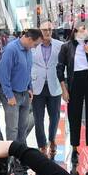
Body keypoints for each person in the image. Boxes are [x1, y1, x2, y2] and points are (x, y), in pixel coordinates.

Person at [57, 20, 88, 164]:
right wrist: (64, 89)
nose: (85, 31)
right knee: (74, 115)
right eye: (82, 29)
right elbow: (60, 68)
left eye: (87, 29)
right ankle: (74, 148)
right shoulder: (66, 47)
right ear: (75, 30)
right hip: (74, 82)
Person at [0, 29, 39, 172]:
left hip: (24, 94)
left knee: (22, 128)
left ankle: (21, 157)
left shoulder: (28, 51)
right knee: (12, 129)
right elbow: (3, 74)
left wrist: (30, 88)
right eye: (35, 44)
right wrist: (9, 96)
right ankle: (10, 161)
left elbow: (27, 71)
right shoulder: (11, 50)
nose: (35, 47)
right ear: (28, 38)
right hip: (12, 96)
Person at [29, 21, 63, 157]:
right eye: (44, 30)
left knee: (54, 117)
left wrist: (64, 84)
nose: (47, 32)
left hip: (54, 86)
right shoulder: (33, 46)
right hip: (37, 86)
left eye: (49, 29)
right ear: (40, 30)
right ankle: (42, 145)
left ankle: (52, 139)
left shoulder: (60, 46)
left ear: (52, 30)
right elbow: (28, 65)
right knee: (38, 118)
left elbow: (63, 65)